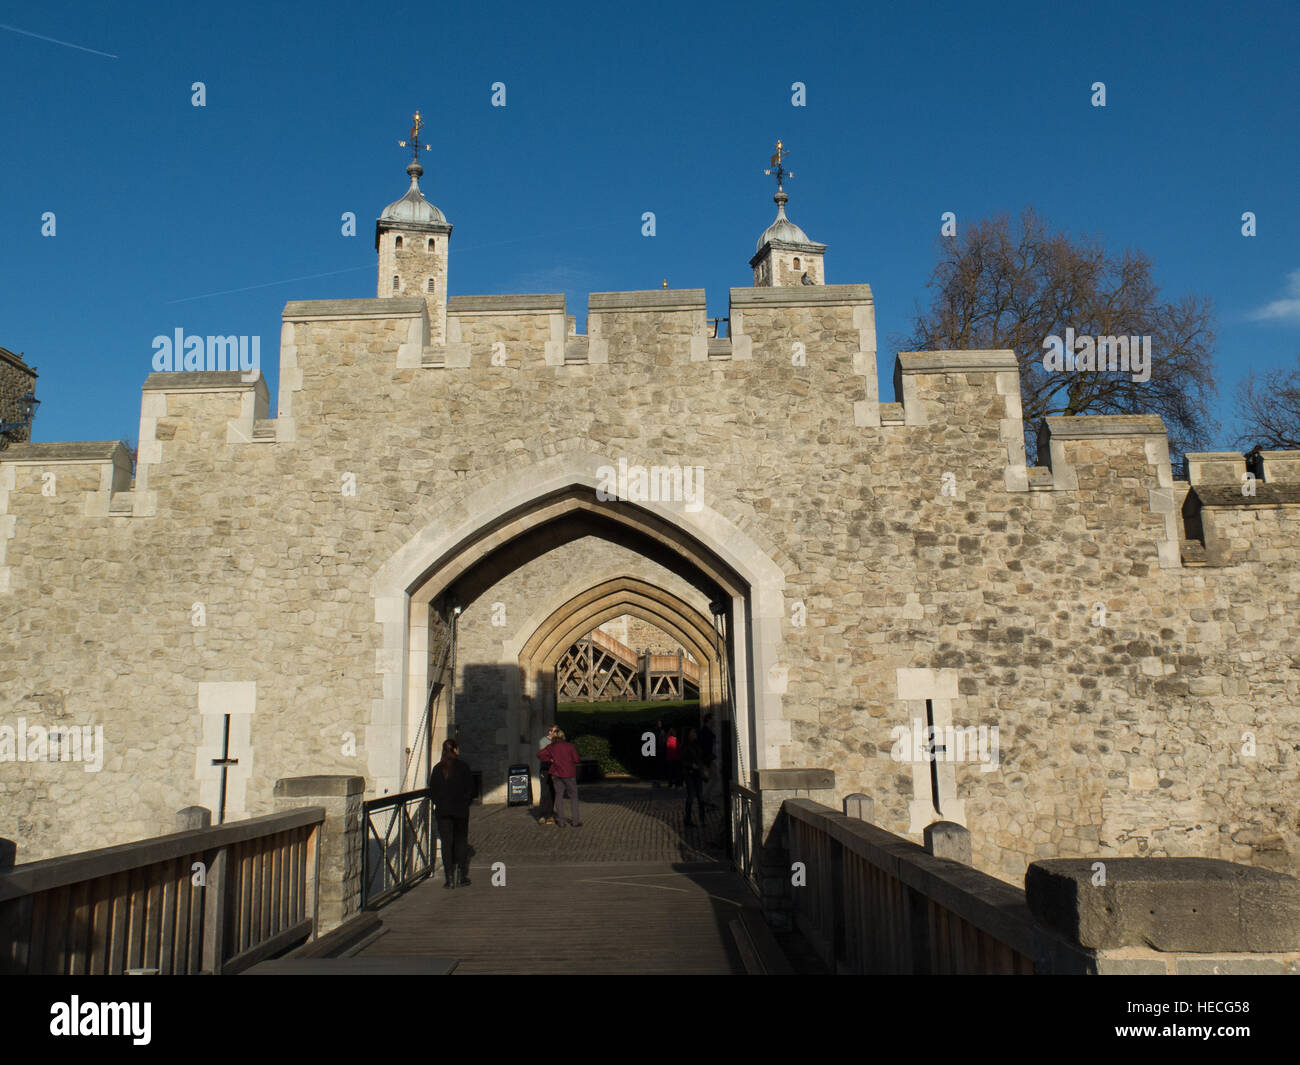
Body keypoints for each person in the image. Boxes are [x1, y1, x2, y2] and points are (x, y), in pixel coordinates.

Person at [428, 738, 474, 889]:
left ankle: (449, 879)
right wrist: (465, 802)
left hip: (443, 811)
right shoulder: (463, 767)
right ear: (454, 750)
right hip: (460, 811)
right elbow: (471, 790)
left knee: (446, 844)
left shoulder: (437, 769)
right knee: (461, 841)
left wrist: (439, 804)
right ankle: (461, 876)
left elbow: (432, 791)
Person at [537, 727, 582, 827]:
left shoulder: (551, 747)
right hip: (569, 774)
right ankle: (575, 821)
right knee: (573, 797)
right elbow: (576, 759)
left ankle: (561, 821)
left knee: (559, 797)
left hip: (556, 774)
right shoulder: (569, 746)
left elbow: (540, 755)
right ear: (563, 736)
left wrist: (551, 759)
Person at [681, 727, 706, 826]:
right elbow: (682, 760)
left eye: (695, 732)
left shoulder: (697, 744)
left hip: (698, 773)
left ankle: (702, 819)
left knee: (700, 797)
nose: (695, 734)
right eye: (693, 732)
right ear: (688, 734)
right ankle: (687, 818)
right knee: (690, 796)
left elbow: (701, 757)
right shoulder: (685, 746)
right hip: (689, 774)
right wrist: (691, 765)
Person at [537, 725, 558, 824]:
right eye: (554, 731)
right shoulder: (543, 741)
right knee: (544, 792)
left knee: (553, 792)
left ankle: (550, 814)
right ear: (550, 732)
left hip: (554, 769)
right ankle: (542, 815)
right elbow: (543, 754)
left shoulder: (557, 742)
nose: (556, 733)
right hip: (545, 769)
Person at [699, 712, 719, 809]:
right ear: (708, 720)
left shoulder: (708, 731)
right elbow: (705, 747)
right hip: (708, 759)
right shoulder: (705, 732)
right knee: (713, 778)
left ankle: (707, 798)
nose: (714, 721)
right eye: (712, 719)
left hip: (709, 758)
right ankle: (705, 798)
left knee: (712, 778)